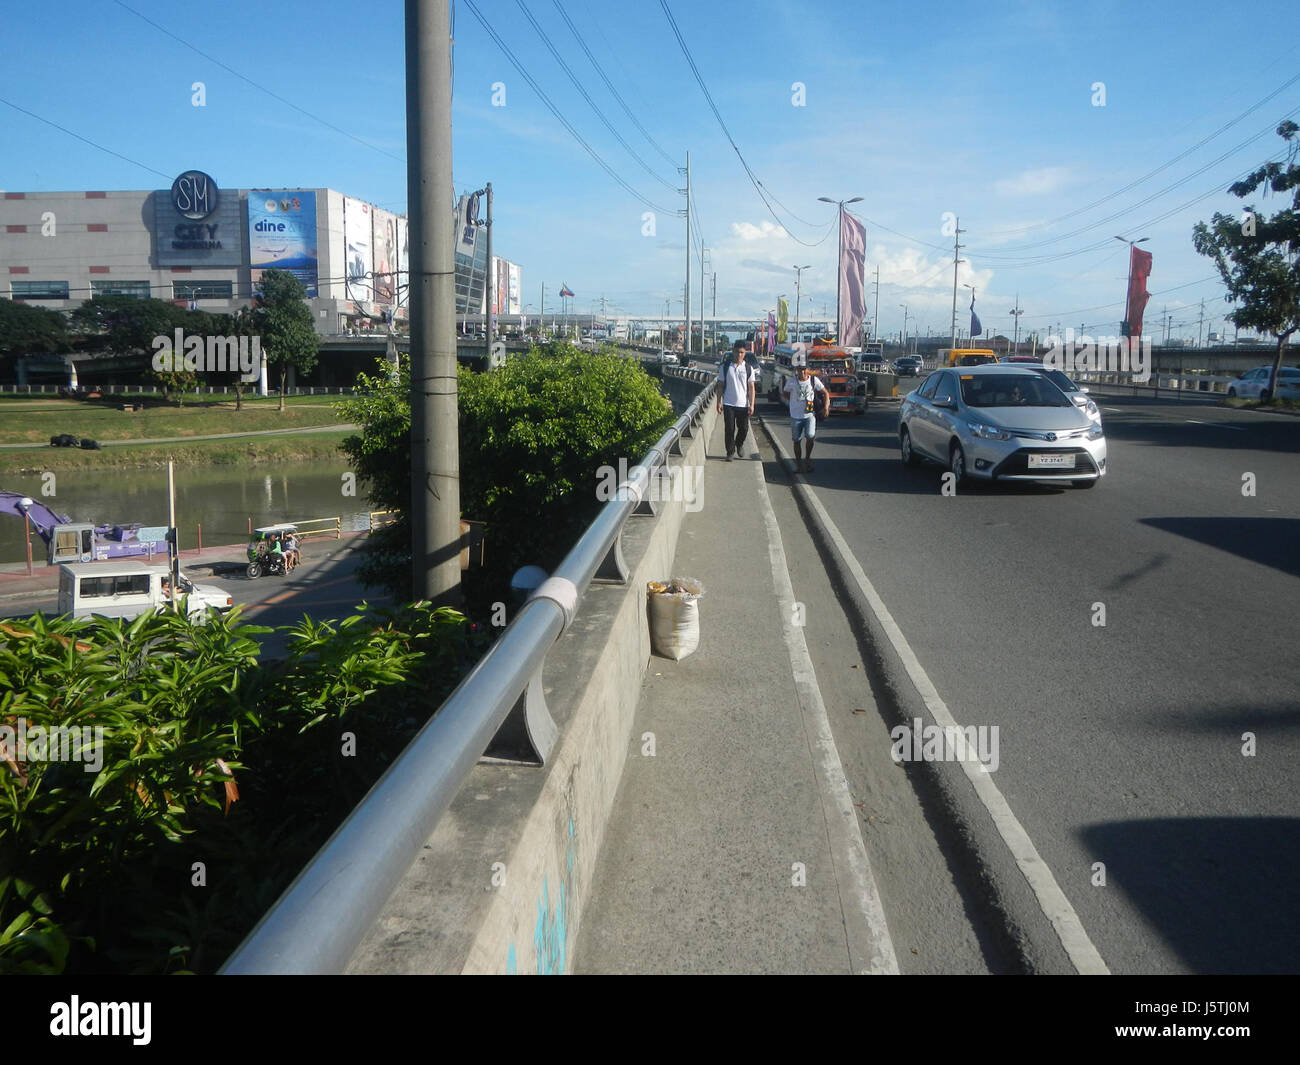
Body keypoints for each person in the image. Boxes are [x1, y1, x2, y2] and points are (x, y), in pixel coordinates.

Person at [782, 364, 828, 473]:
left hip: (810, 415)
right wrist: (793, 402)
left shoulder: (813, 380)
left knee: (810, 436)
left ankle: (807, 458)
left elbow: (825, 393)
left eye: (804, 370)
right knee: (797, 440)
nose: (802, 372)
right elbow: (785, 392)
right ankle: (798, 464)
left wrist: (826, 407)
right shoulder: (791, 382)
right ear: (796, 371)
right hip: (795, 416)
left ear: (807, 370)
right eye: (799, 370)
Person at [716, 340, 757, 461]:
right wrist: (718, 402)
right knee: (729, 429)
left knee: (743, 428)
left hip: (743, 404)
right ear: (733, 351)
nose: (739, 355)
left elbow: (751, 388)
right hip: (728, 403)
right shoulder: (725, 367)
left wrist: (752, 404)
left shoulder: (748, 368)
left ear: (745, 353)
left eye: (742, 352)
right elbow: (720, 385)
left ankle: (739, 444)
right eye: (737, 352)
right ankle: (730, 452)